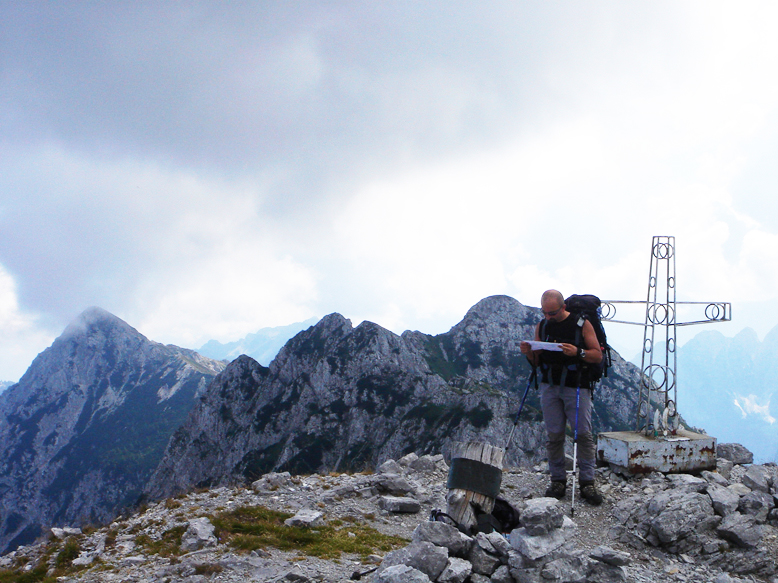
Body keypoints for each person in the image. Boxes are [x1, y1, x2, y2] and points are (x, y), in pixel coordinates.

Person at [520, 289, 603, 505]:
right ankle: (558, 480)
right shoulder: (542, 326)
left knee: (582, 434)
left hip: (577, 386)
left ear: (563, 307)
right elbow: (536, 361)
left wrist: (578, 352)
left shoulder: (581, 324)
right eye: (545, 313)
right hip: (550, 385)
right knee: (554, 435)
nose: (548, 317)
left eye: (552, 313)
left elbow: (597, 355)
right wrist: (529, 352)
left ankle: (587, 482)